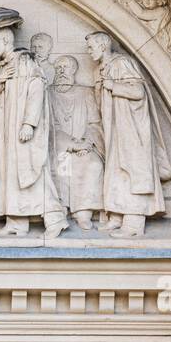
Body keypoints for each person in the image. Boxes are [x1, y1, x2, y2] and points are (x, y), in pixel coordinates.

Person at [85, 30, 171, 238]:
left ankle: (134, 223)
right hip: (114, 130)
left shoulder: (121, 63)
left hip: (130, 130)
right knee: (116, 171)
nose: (89, 52)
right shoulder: (100, 70)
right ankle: (117, 216)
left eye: (91, 47)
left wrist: (113, 85)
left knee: (132, 170)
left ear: (103, 46)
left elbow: (138, 92)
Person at [0, 28, 67, 239]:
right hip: (5, 132)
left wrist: (29, 123)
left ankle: (55, 218)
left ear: (5, 41)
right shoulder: (0, 68)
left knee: (32, 172)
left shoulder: (26, 61)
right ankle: (16, 222)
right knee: (10, 174)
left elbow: (36, 90)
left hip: (24, 130)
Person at [48, 55, 104, 230]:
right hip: (60, 146)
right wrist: (72, 144)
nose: (62, 71)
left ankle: (83, 211)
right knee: (63, 163)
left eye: (66, 67)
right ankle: (61, 207)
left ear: (74, 70)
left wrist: (87, 143)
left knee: (94, 164)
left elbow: (94, 122)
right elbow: (49, 126)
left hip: (85, 145)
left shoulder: (85, 92)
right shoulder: (48, 93)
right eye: (58, 68)